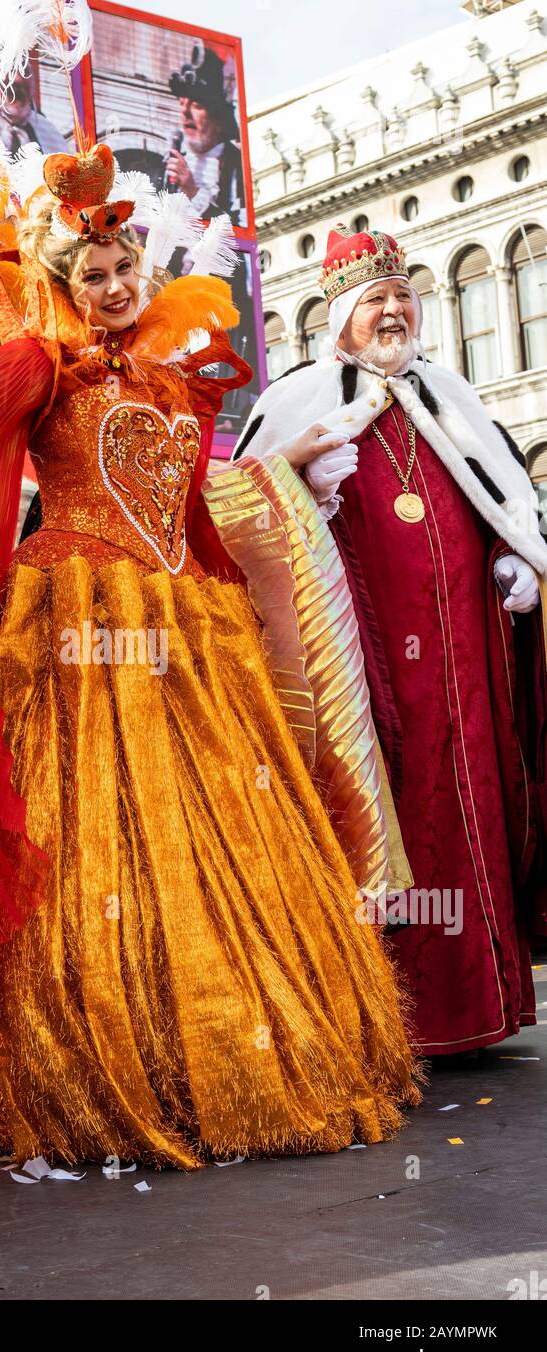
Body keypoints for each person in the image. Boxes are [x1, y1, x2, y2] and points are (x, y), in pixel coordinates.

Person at [0, 129, 419, 1169]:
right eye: (93, 274)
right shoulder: (41, 368)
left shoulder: (172, 383)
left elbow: (193, 501)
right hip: (75, 627)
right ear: (68, 284)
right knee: (93, 839)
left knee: (227, 845)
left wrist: (277, 468)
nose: (111, 288)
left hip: (188, 630)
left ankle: (234, 1050)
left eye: (123, 271)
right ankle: (90, 1062)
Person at [236, 223, 547, 1059]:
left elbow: (504, 493)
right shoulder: (298, 404)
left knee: (471, 800)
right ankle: (384, 1016)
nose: (393, 310)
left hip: (466, 660)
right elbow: (241, 521)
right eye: (374, 298)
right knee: (378, 808)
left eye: (403, 295)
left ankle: (479, 1005)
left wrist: (519, 556)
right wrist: (302, 489)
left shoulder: (455, 395)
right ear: (340, 315)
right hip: (358, 665)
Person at [165, 42, 246, 226]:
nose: (185, 113)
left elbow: (238, 238)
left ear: (218, 120)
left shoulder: (236, 165)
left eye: (196, 106)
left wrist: (193, 191)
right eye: (182, 103)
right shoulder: (167, 163)